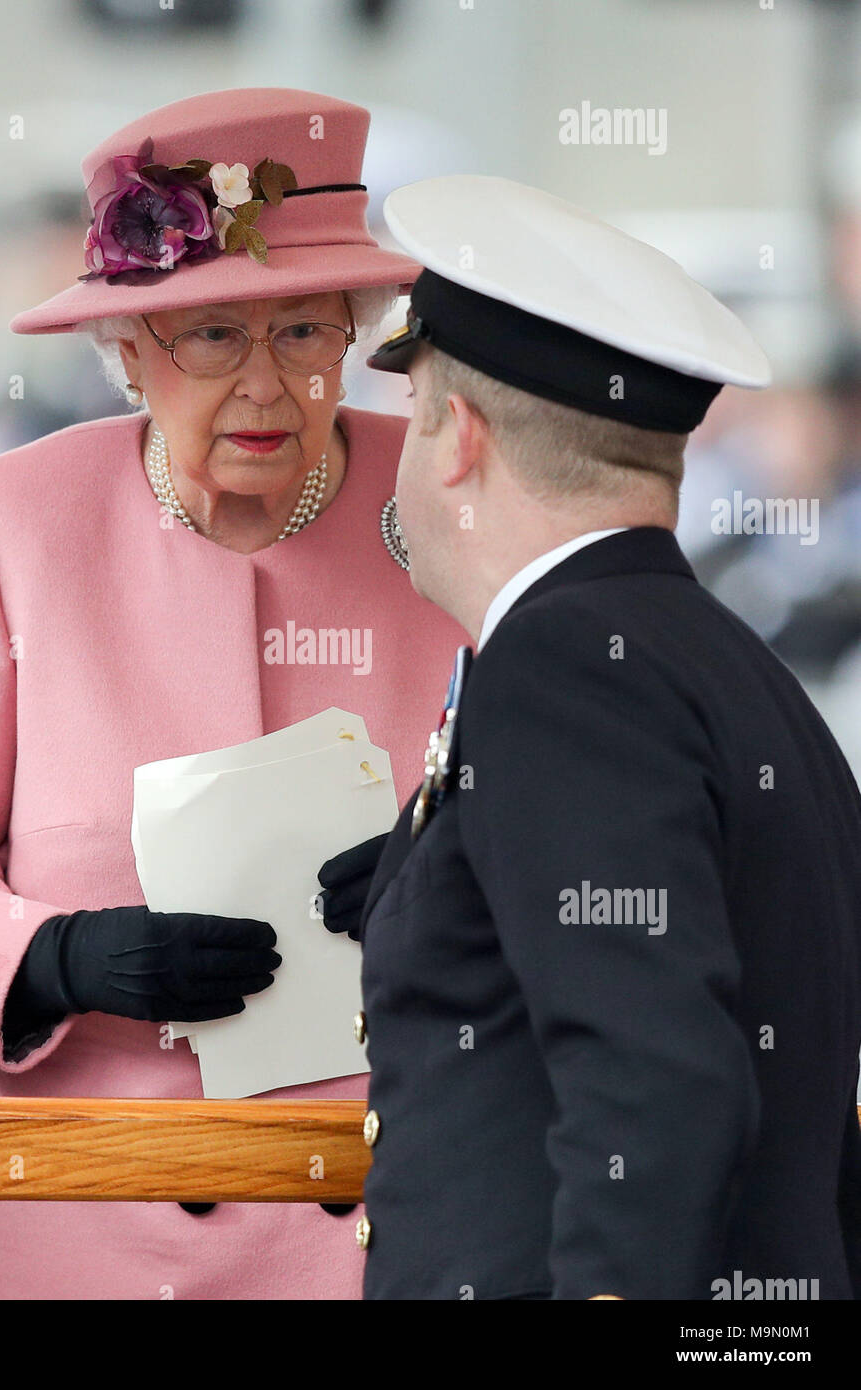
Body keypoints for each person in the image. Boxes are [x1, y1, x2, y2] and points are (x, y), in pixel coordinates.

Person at [0, 89, 470, 1300]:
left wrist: (468, 865)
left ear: (358, 330)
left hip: (383, 1226)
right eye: (212, 336)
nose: (268, 389)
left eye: (303, 331)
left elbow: (583, 809)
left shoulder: (447, 503)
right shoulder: (9, 522)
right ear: (127, 350)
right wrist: (49, 958)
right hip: (70, 1229)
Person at [340, 173, 861, 1299]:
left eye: (417, 412)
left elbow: (661, 1081)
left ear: (459, 439)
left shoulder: (566, 670)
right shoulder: (723, 662)